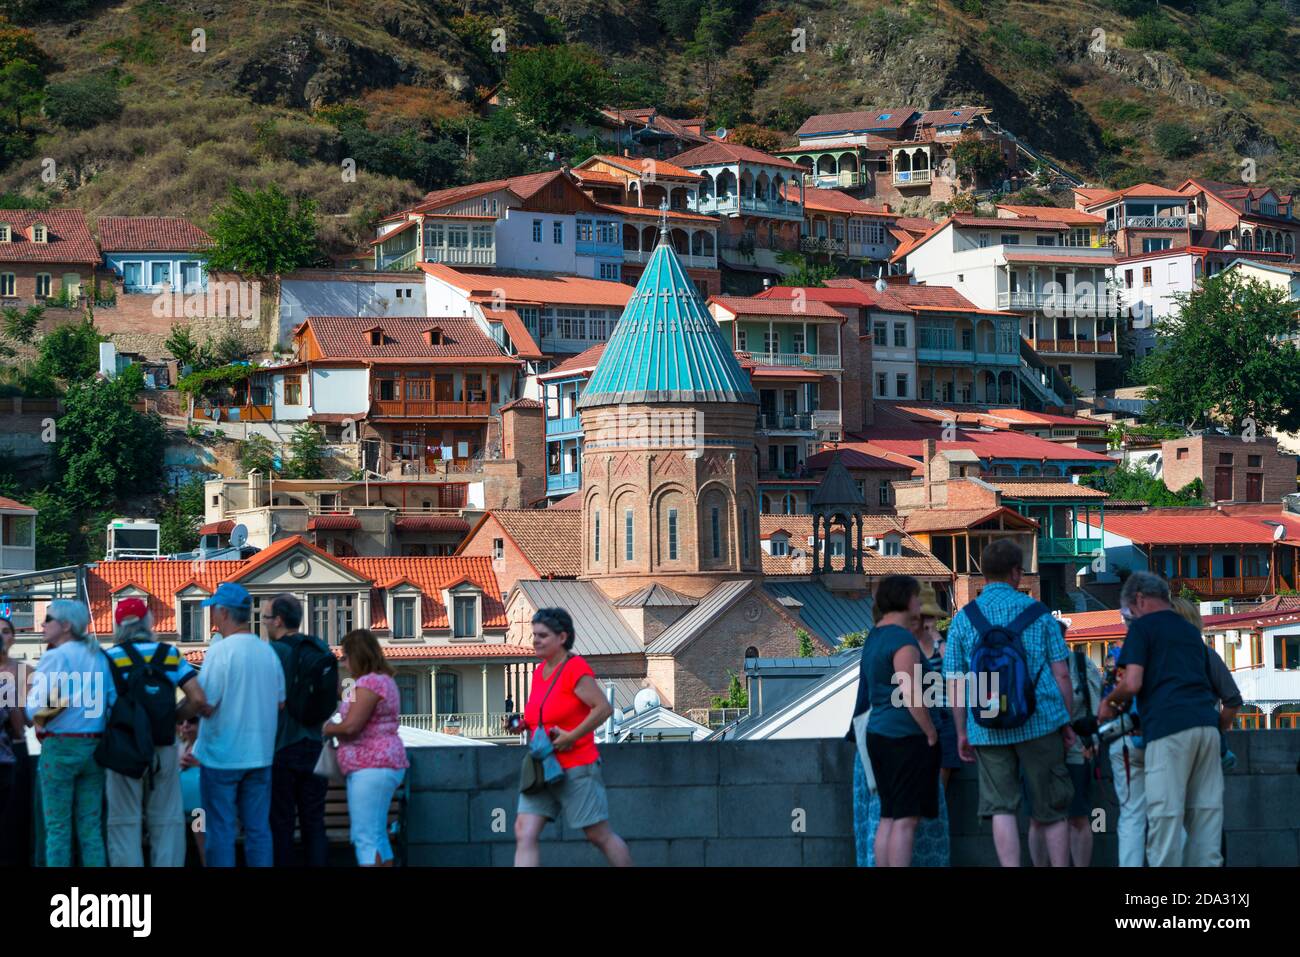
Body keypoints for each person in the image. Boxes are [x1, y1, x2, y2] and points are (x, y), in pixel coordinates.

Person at [944, 539, 1077, 867]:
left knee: (1000, 807)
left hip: (987, 726)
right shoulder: (1038, 613)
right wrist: (1066, 720)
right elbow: (1062, 673)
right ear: (1017, 573)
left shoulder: (964, 618)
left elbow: (955, 682)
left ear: (983, 574)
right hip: (1041, 720)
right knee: (1051, 807)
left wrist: (962, 731)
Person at [1100, 573, 1232, 866]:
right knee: (1205, 819)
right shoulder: (1190, 632)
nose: (1130, 617)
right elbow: (1226, 694)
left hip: (1168, 730)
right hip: (1207, 731)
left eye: (1129, 611)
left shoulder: (1144, 627)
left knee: (1166, 820)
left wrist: (1108, 704)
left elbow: (1132, 683)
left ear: (1139, 600)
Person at [514, 608, 632, 867]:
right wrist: (525, 724)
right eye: (534, 635)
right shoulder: (540, 671)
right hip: (542, 766)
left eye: (542, 635)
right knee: (524, 831)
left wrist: (571, 737)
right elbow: (544, 714)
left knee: (598, 835)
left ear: (562, 637)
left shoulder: (575, 668)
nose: (535, 640)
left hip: (576, 765)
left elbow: (603, 708)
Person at [103, 597, 210, 867]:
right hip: (163, 747)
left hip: (124, 750)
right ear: (148, 621)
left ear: (118, 626)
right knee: (166, 821)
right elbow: (197, 698)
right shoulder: (170, 654)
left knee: (124, 822)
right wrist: (171, 718)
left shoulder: (109, 658)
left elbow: (101, 707)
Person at [851, 575, 940, 867]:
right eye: (915, 597)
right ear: (904, 599)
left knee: (888, 815)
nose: (918, 603)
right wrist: (930, 732)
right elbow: (910, 690)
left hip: (877, 734)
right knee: (906, 820)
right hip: (903, 736)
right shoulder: (902, 640)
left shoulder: (875, 635)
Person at [194, 582, 285, 867]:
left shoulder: (220, 653)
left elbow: (205, 704)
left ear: (223, 613)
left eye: (213, 611)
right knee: (259, 830)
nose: (212, 617)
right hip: (260, 756)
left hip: (222, 756)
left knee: (220, 829)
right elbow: (280, 702)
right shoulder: (268, 652)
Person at [25, 599, 114, 867]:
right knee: (90, 828)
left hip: (60, 748)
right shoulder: (98, 655)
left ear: (65, 626)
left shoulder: (55, 656)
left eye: (48, 619)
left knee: (57, 828)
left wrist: (46, 713)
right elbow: (112, 701)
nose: (42, 624)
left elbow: (34, 710)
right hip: (94, 747)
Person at [322, 629, 409, 867]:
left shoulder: (370, 683)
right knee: (378, 836)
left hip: (372, 767)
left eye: (346, 657)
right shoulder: (382, 681)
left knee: (365, 838)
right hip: (379, 766)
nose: (344, 662)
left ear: (357, 656)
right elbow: (352, 699)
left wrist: (326, 729)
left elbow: (352, 727)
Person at [264, 594, 331, 867]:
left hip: (282, 746)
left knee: (281, 824)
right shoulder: (319, 648)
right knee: (314, 822)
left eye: (266, 617)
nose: (264, 623)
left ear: (278, 620)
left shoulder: (273, 652)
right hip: (316, 747)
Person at [1027, 640, 1102, 867]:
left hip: (1076, 748)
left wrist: (1094, 739)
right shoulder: (1029, 664)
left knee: (1078, 816)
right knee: (1038, 818)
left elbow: (1096, 708)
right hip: (1038, 747)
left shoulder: (1081, 664)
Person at [0, 614, 32, 866]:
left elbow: (32, 720)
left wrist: (13, 702)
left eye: (5, 631)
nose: (1, 636)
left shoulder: (25, 671)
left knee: (14, 817)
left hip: (15, 749)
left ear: (13, 637)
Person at [177, 716, 205, 866]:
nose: (185, 725)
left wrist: (199, 764)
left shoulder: (207, 746)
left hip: (199, 809)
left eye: (192, 721)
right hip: (179, 808)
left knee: (203, 844)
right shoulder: (180, 747)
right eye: (181, 722)